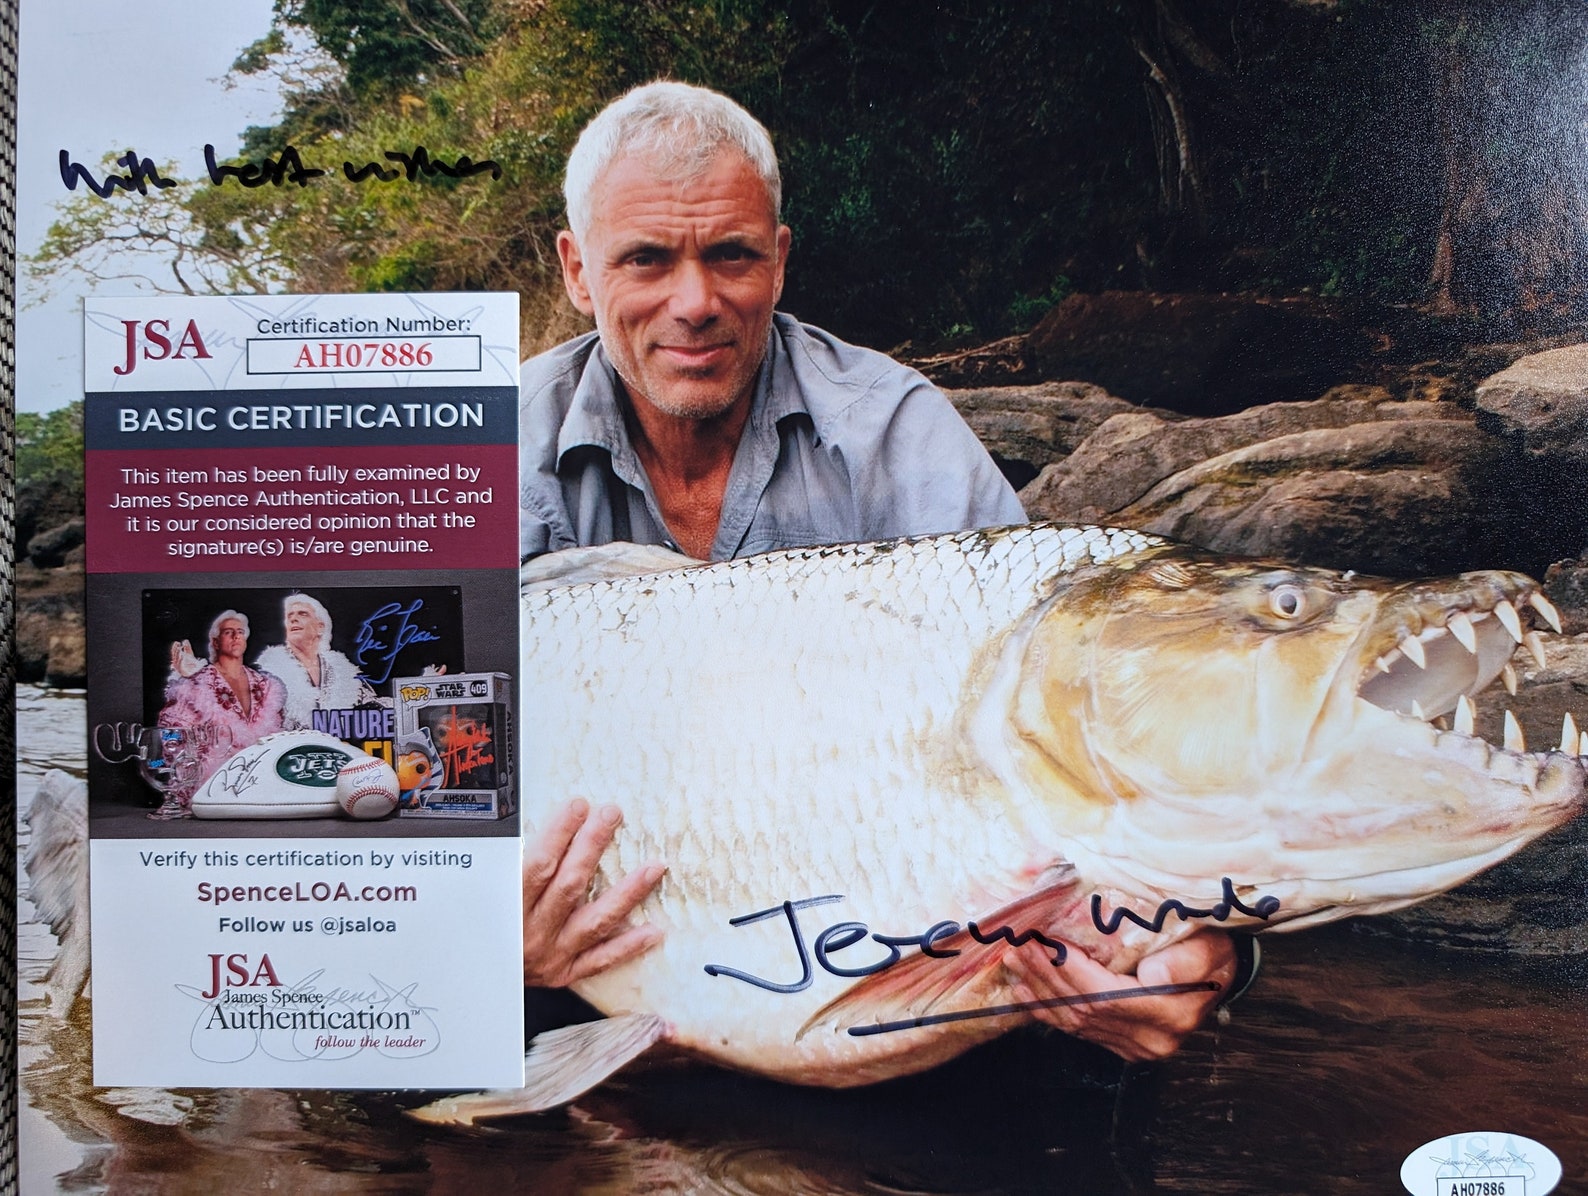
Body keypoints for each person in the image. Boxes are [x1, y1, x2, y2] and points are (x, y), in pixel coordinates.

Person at [519, 80, 1244, 1060]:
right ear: (575, 269)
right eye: (646, 259)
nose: (693, 302)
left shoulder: (896, 430)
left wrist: (1213, 952)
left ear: (778, 258)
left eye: (729, 254)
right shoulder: (473, 455)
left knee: (1068, 1049)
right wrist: (478, 940)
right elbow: (367, 794)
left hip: (878, 974)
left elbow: (1078, 744)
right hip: (580, 978)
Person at [159, 610, 287, 804]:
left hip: (260, 787)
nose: (236, 636)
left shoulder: (266, 686)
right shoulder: (195, 684)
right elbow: (172, 737)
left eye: (240, 632)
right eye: (228, 632)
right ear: (216, 642)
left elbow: (278, 736)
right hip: (212, 787)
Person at [252, 593, 376, 731]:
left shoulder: (344, 673)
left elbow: (374, 709)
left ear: (320, 627)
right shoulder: (267, 673)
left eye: (302, 614)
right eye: (289, 616)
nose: (293, 619)